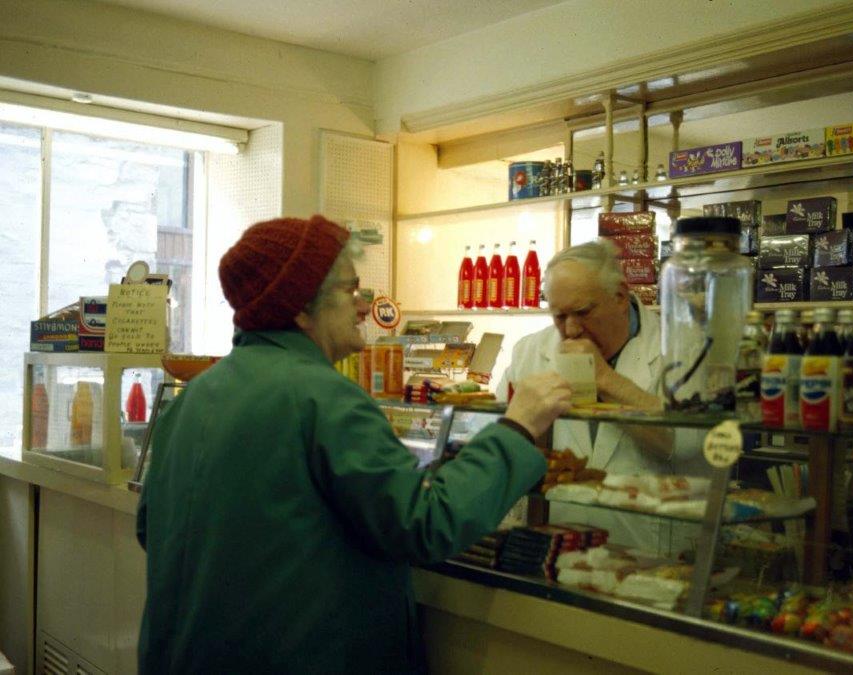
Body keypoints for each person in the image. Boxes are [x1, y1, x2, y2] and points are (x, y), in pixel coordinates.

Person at [136, 215, 572, 674]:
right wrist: (517, 428)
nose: (364, 306)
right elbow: (425, 523)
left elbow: (151, 528)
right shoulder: (324, 397)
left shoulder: (194, 396)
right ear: (301, 308)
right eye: (351, 290)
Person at [497, 239, 699, 552]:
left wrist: (605, 378)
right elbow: (502, 441)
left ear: (620, 296)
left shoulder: (682, 348)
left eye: (583, 312)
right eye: (559, 316)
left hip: (648, 548)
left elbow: (685, 445)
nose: (571, 329)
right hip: (556, 544)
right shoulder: (530, 351)